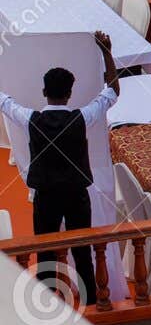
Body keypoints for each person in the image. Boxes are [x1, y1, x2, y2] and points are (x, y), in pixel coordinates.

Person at [0, 31, 120, 304]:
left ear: (44, 92)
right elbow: (112, 90)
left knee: (45, 253)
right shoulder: (83, 117)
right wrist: (106, 52)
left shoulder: (30, 119)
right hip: (77, 196)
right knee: (82, 251)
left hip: (46, 198)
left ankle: (47, 305)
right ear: (69, 93)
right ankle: (92, 304)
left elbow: (4, 101)